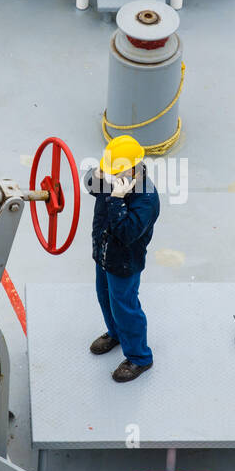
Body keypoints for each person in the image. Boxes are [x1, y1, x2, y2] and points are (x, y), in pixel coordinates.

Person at [87, 134, 159, 383]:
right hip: (104, 254)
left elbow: (127, 233)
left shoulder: (146, 198)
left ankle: (140, 357)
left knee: (125, 306)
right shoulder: (115, 176)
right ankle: (115, 333)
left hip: (124, 262)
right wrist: (98, 176)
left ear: (133, 168)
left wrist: (117, 200)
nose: (111, 178)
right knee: (104, 297)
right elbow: (92, 188)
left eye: (115, 172)